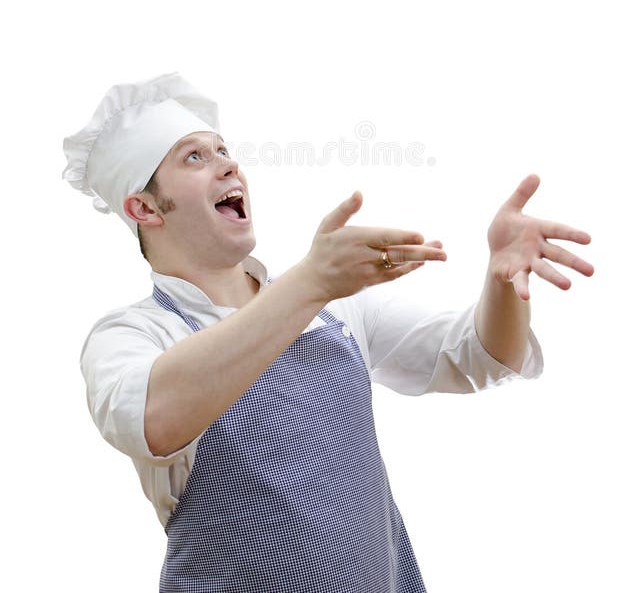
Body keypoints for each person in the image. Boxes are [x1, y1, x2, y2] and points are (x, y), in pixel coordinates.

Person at [63, 72, 594, 593]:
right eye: (195, 157)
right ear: (144, 207)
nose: (228, 163)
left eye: (223, 149)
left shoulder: (334, 308)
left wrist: (501, 280)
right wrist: (310, 282)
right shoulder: (130, 335)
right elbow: (151, 418)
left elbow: (482, 355)